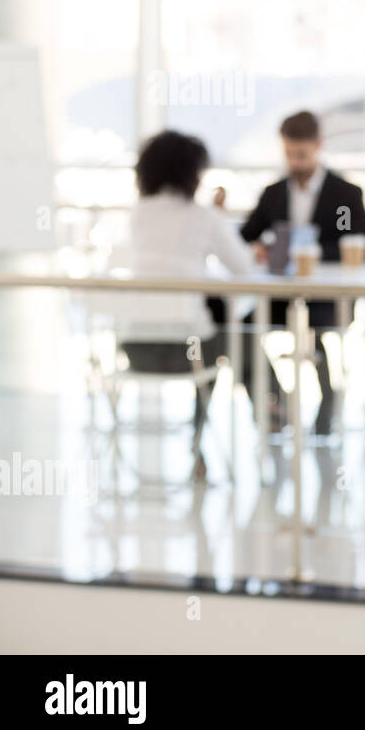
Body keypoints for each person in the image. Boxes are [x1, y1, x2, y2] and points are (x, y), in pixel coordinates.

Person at [216, 110, 365, 435]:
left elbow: (364, 247)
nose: (296, 162)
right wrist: (259, 247)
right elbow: (246, 236)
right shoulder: (274, 193)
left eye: (302, 154)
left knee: (314, 331)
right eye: (290, 154)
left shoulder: (345, 195)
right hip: (280, 296)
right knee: (241, 331)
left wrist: (304, 252)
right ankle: (275, 402)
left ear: (319, 146)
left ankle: (326, 410)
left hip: (327, 299)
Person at [111, 130, 255, 481]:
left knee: (216, 328)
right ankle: (222, 434)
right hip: (191, 354)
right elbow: (245, 269)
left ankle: (211, 439)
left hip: (134, 348)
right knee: (241, 339)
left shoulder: (135, 216)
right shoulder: (203, 217)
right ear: (193, 174)